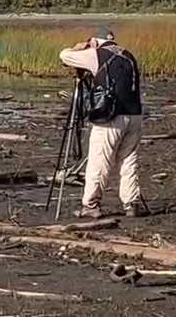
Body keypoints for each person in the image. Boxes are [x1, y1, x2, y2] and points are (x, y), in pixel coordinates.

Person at [58, 26, 146, 219]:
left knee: (99, 160)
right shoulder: (128, 55)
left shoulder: (95, 54)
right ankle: (131, 204)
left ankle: (91, 205)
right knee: (129, 161)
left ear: (95, 42)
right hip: (135, 114)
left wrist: (80, 46)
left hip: (110, 116)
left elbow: (64, 56)